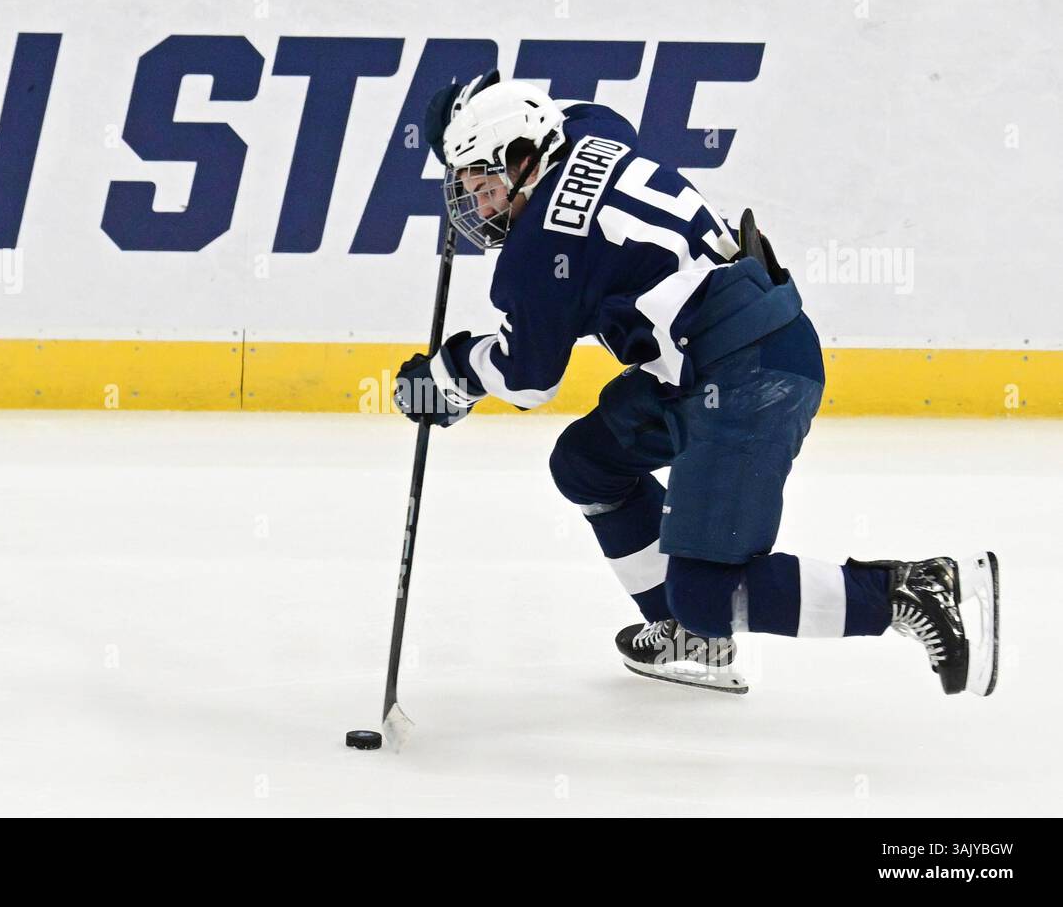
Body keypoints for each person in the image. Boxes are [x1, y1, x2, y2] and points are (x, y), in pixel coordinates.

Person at [392, 70, 998, 696]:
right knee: (587, 463)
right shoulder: (586, 129)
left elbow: (528, 378)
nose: (481, 209)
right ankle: (687, 639)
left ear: (522, 159)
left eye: (487, 187)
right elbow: (555, 109)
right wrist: (461, 123)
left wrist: (448, 376)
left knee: (707, 592)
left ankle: (907, 591)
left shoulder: (539, 250)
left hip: (750, 378)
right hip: (717, 353)